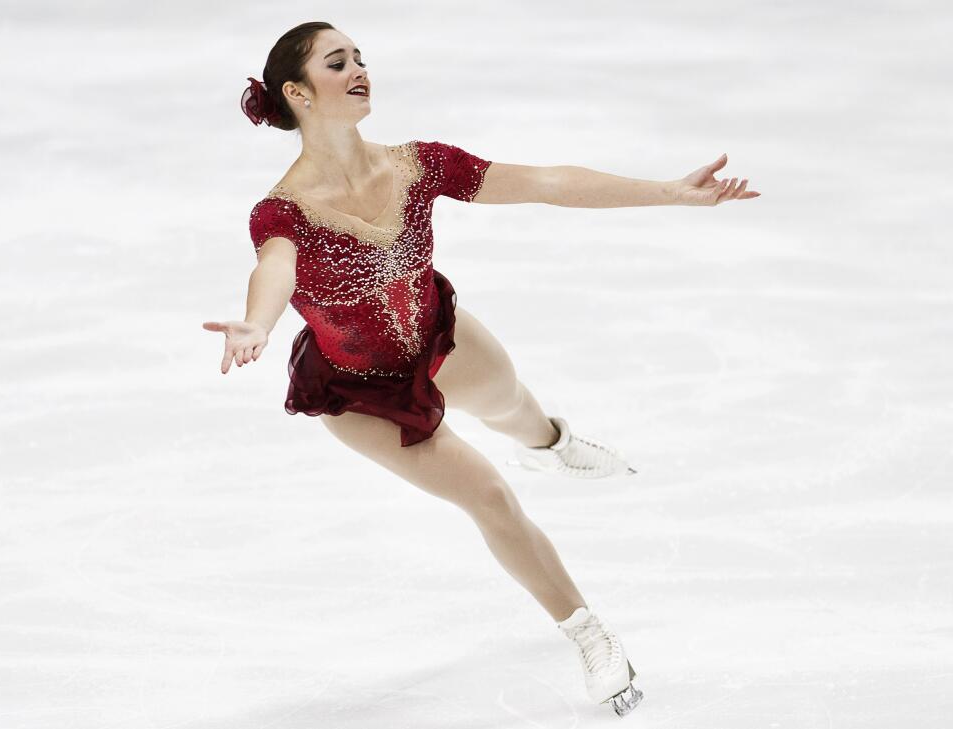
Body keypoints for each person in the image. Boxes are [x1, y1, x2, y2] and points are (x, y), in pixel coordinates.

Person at [202, 22, 758, 715]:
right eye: (337, 62)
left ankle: (553, 444)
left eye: (361, 58)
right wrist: (255, 322)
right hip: (361, 395)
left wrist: (669, 192)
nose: (359, 70)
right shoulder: (282, 211)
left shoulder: (418, 164)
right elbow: (274, 269)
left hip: (441, 336)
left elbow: (545, 182)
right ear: (297, 93)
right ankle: (588, 632)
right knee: (489, 497)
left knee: (515, 407)